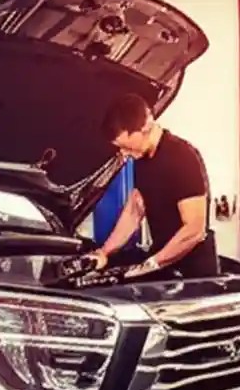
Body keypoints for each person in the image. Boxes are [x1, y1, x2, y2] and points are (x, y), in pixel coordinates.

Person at [86, 93, 219, 280]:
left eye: (126, 146)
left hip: (194, 272)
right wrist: (104, 252)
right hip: (164, 261)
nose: (124, 153)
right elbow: (135, 209)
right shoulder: (142, 158)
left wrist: (152, 264)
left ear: (146, 126)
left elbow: (195, 229)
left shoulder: (183, 157)